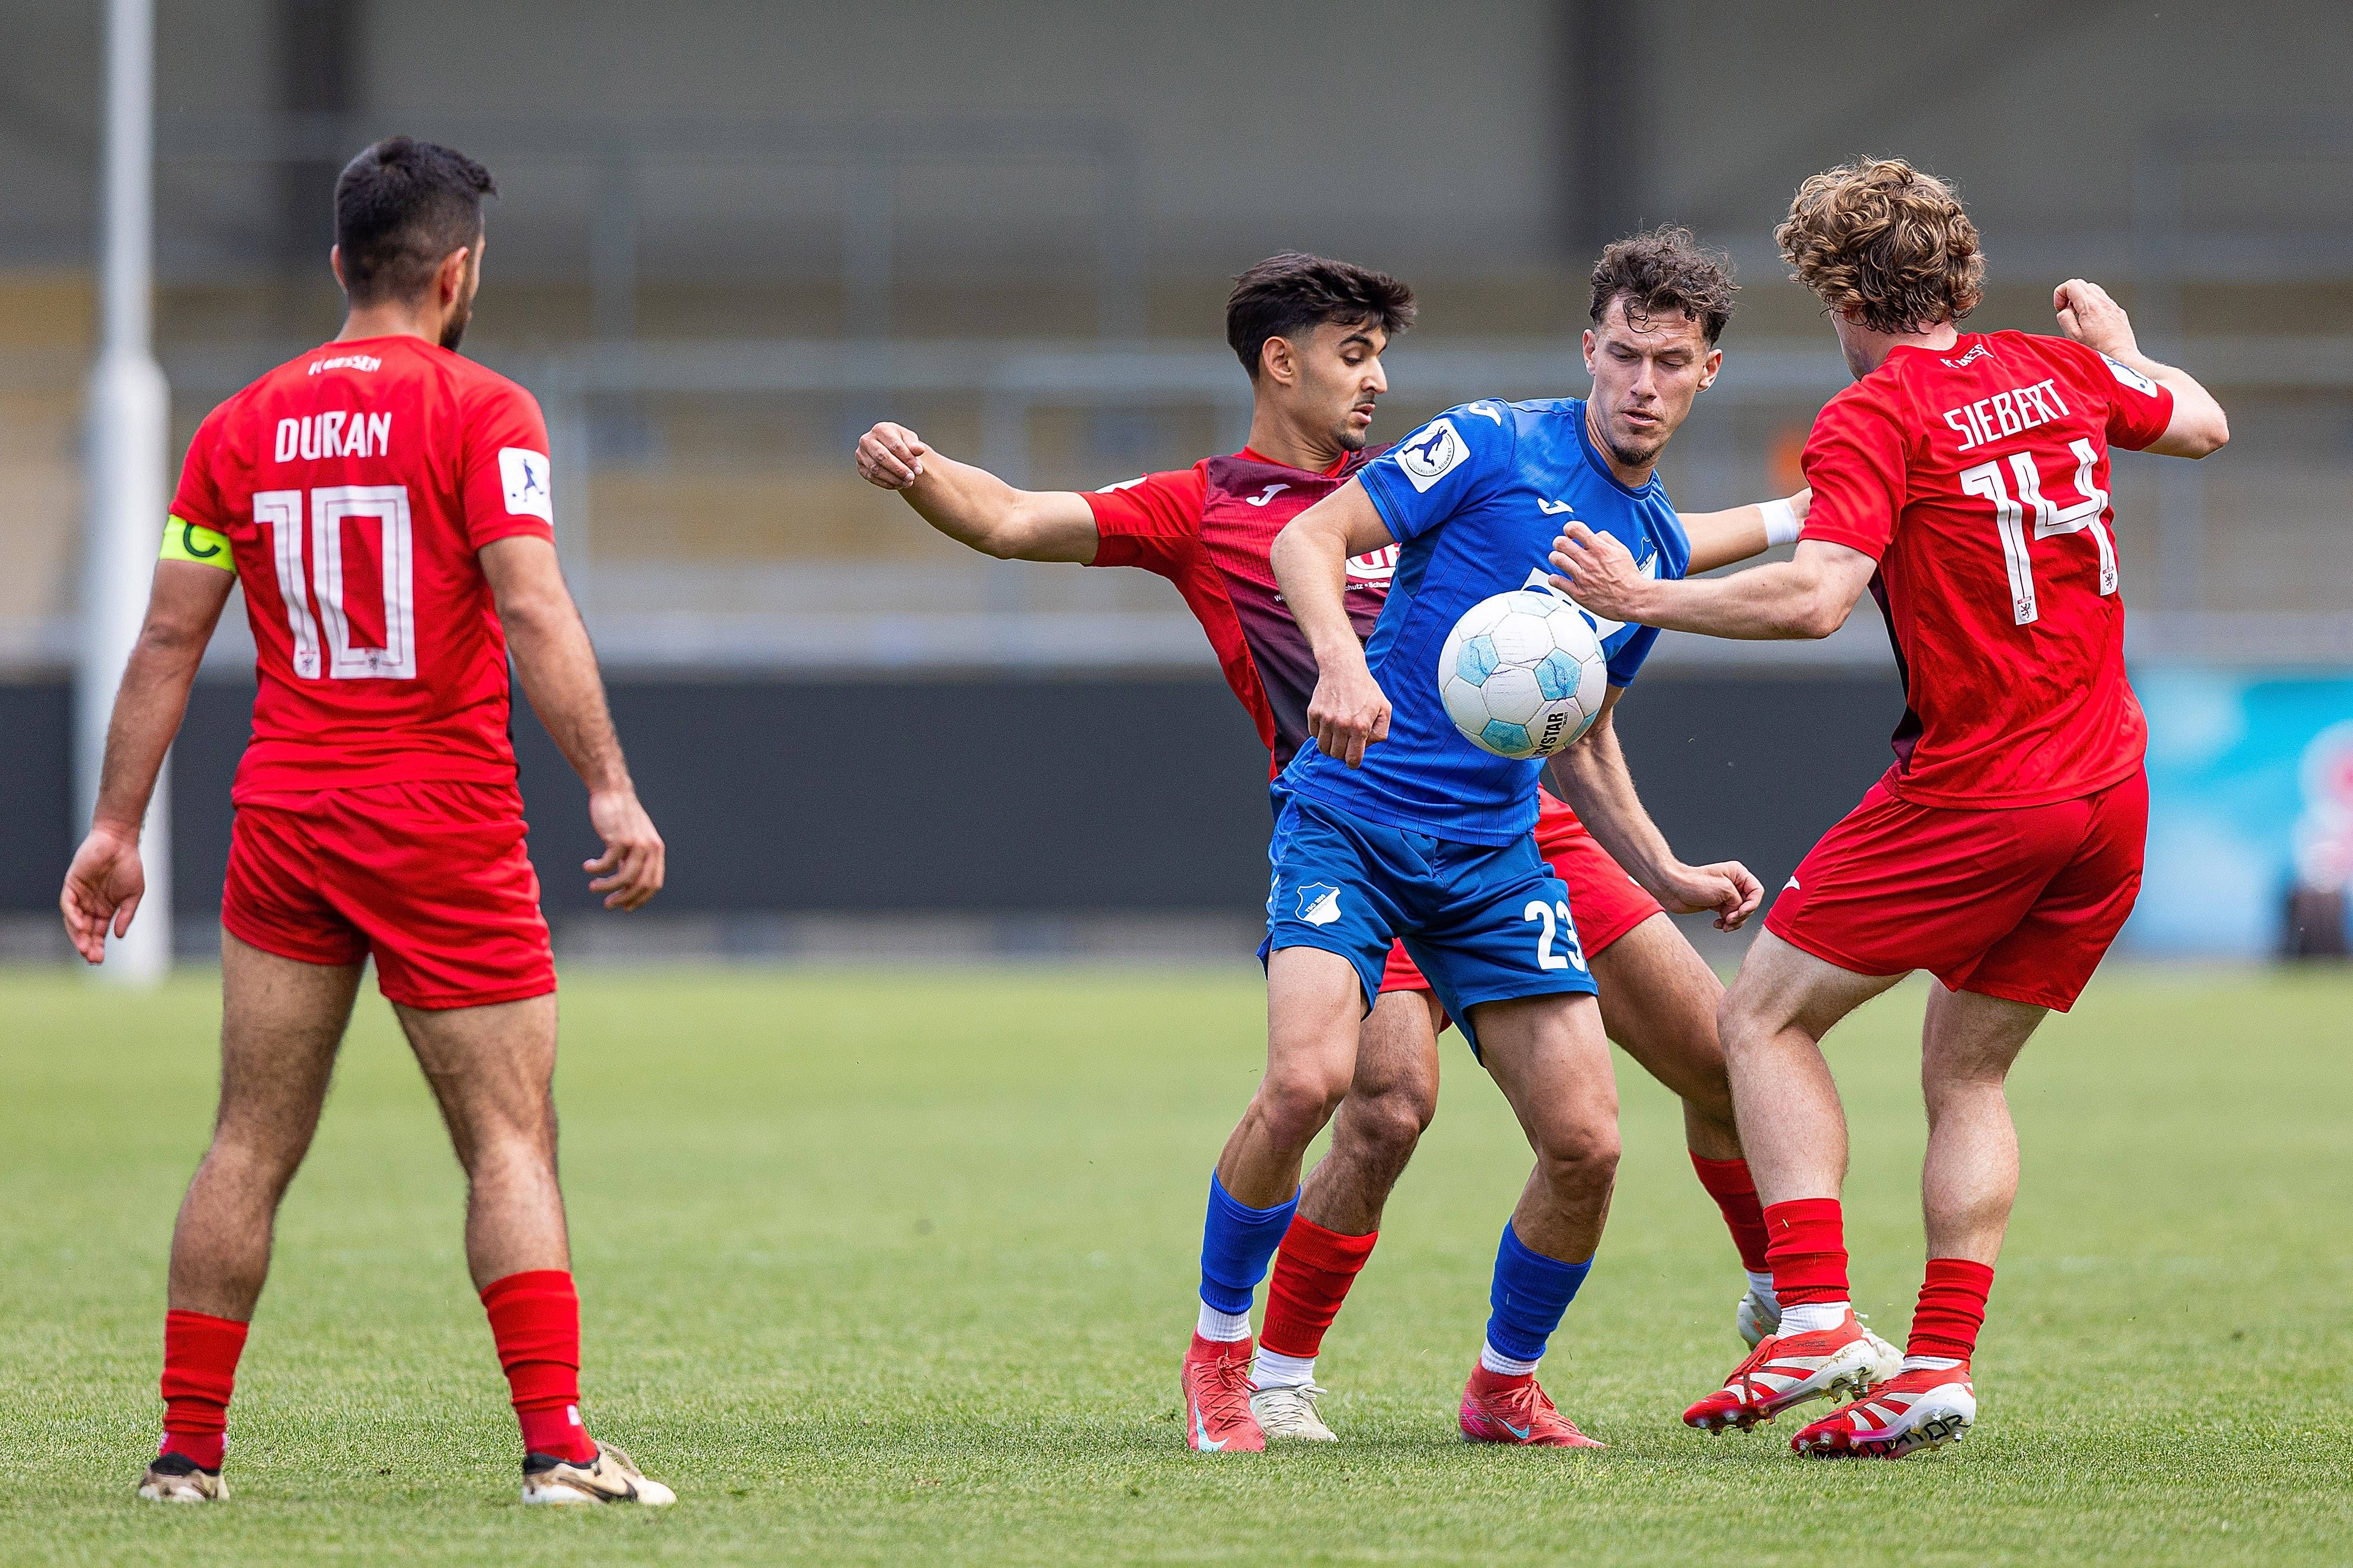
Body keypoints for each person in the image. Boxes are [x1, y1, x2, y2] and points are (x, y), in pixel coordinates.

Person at [856, 241, 1833, 1445]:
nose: (1374, 382)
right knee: (1374, 1103)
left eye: (1380, 359)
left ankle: (1778, 1305)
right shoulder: (1212, 506)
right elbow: (1009, 518)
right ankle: (1260, 1363)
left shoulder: (1438, 477)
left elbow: (1629, 564)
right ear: (1281, 364)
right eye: (1353, 356)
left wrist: (1661, 851)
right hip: (1356, 815)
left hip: (1513, 828)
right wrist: (920, 468)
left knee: (1699, 1065)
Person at [1550, 158, 2229, 1458]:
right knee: (1963, 1068)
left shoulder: (1871, 413)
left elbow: (1811, 598)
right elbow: (2196, 423)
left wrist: (1636, 600)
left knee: (1758, 1014)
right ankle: (1932, 1365)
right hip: (2107, 789)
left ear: (1835, 287)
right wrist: (2127, 349)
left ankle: (1808, 1310)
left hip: (1982, 785)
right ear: (1953, 272)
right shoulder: (2058, 368)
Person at [61, 136, 677, 1507]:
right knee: (510, 1138)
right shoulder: (486, 412)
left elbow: (167, 639)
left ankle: (186, 1452)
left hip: (284, 815)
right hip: (440, 816)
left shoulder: (236, 428)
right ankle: (557, 1449)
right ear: (457, 271)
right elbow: (530, 604)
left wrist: (113, 830)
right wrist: (610, 784)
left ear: (342, 263)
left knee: (248, 1139)